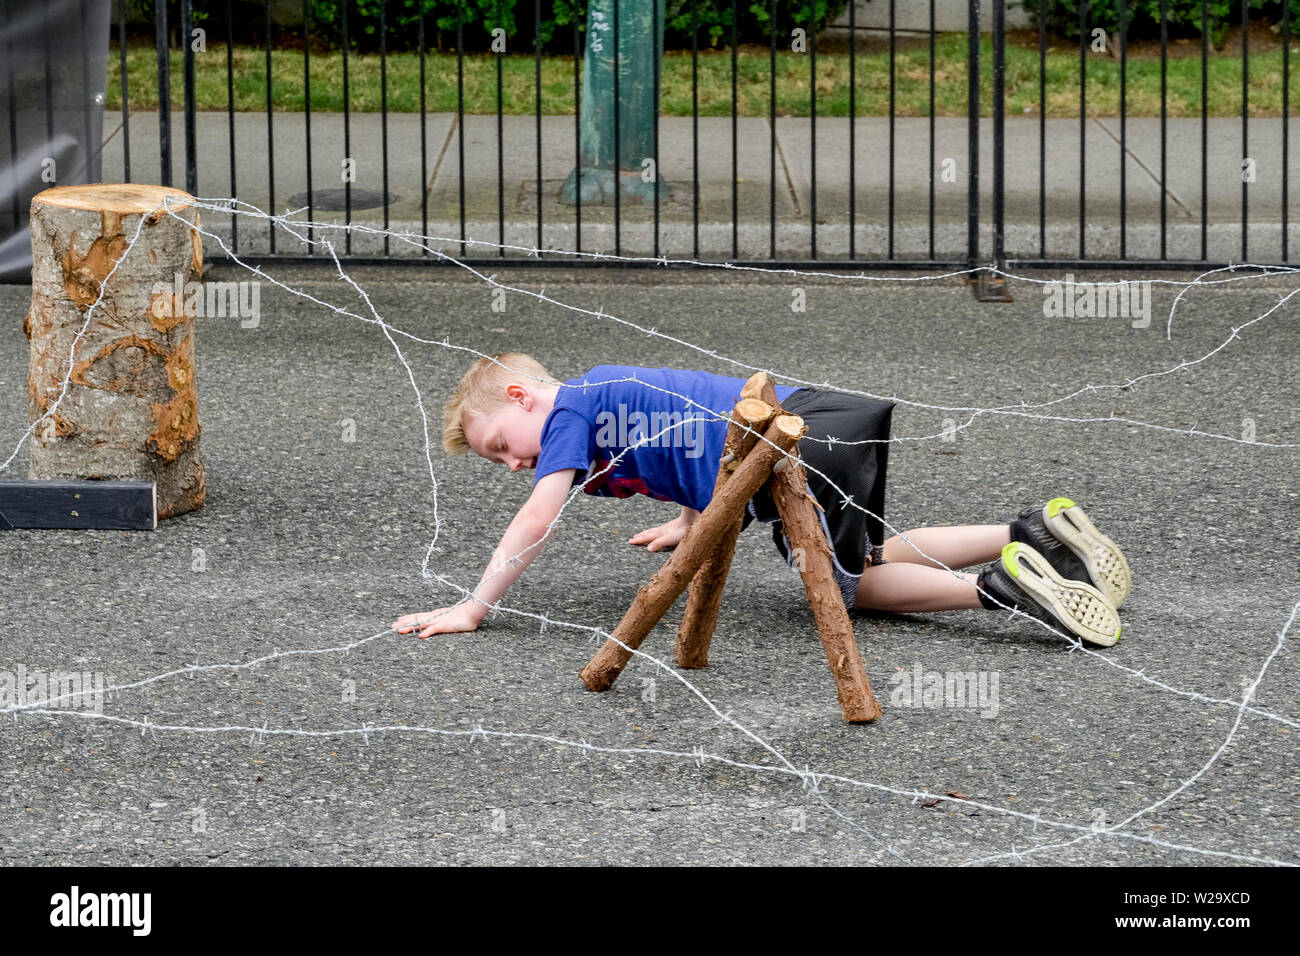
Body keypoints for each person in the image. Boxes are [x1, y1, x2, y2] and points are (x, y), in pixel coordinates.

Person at [392, 353, 1131, 647]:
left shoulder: (568, 414)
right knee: (866, 551)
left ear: (522, 396)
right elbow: (686, 428)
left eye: (501, 445)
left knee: (858, 587)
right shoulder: (606, 387)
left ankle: (1001, 590)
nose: (514, 462)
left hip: (786, 454)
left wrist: (473, 606)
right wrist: (687, 524)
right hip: (821, 414)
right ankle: (1031, 529)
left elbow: (537, 518)